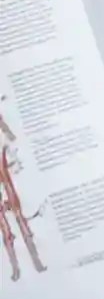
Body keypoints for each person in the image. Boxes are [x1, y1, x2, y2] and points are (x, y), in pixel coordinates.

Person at [0, 103, 46, 281]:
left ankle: (35, 261)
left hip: (7, 183)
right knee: (5, 227)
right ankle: (16, 269)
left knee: (19, 219)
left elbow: (11, 141)